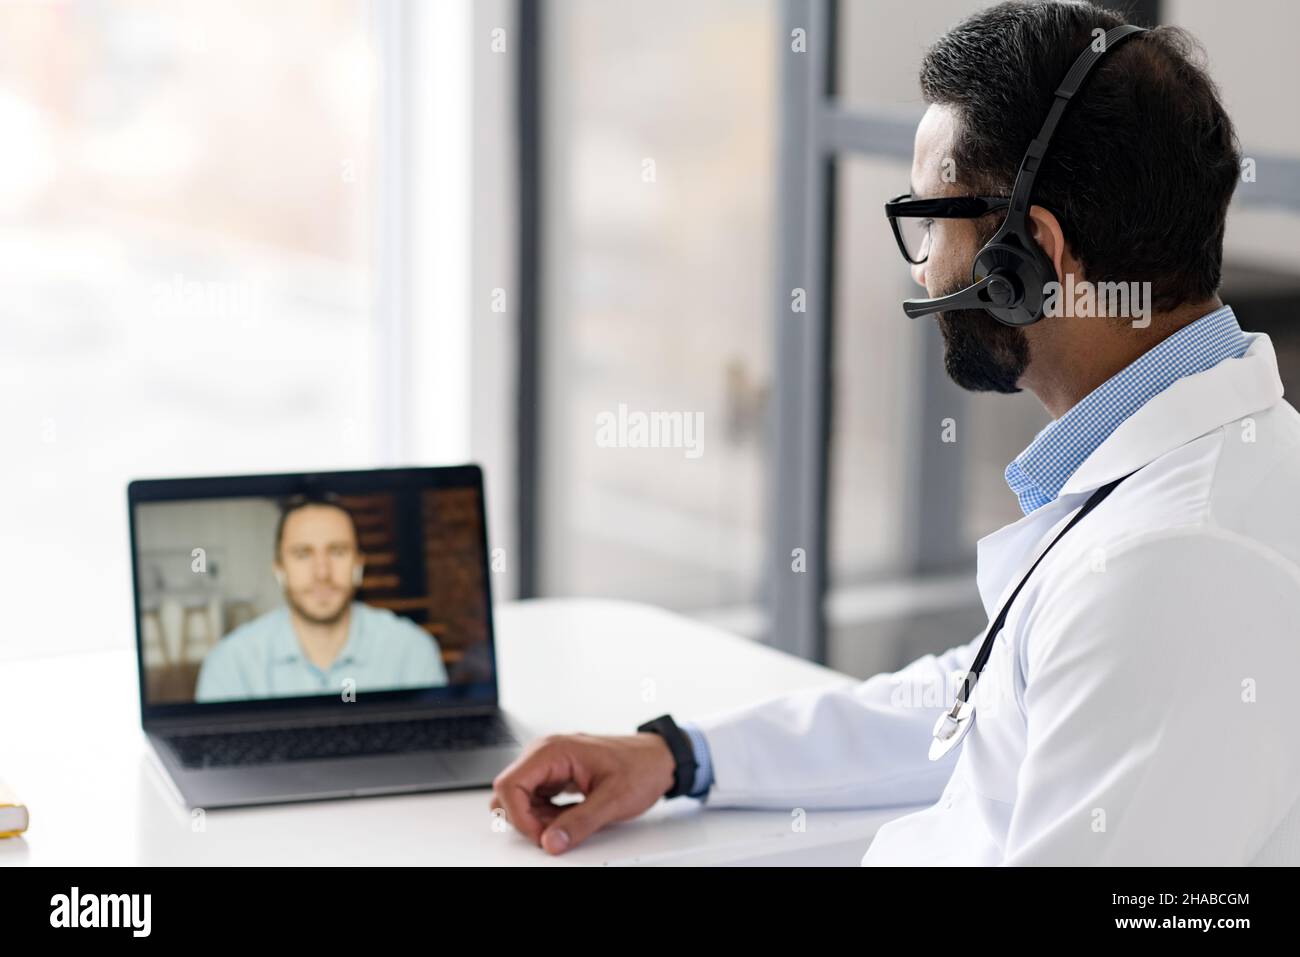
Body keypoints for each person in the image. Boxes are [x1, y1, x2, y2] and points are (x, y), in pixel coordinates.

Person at [491, 1, 1300, 865]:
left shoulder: (1172, 568)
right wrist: (682, 754)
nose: (921, 267)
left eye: (931, 221)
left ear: (1032, 252)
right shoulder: (1193, 482)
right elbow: (980, 697)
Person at [196, 494, 447, 701]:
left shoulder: (413, 651)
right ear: (279, 569)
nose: (322, 573)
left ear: (358, 565)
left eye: (337, 551)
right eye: (303, 554)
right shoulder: (229, 662)